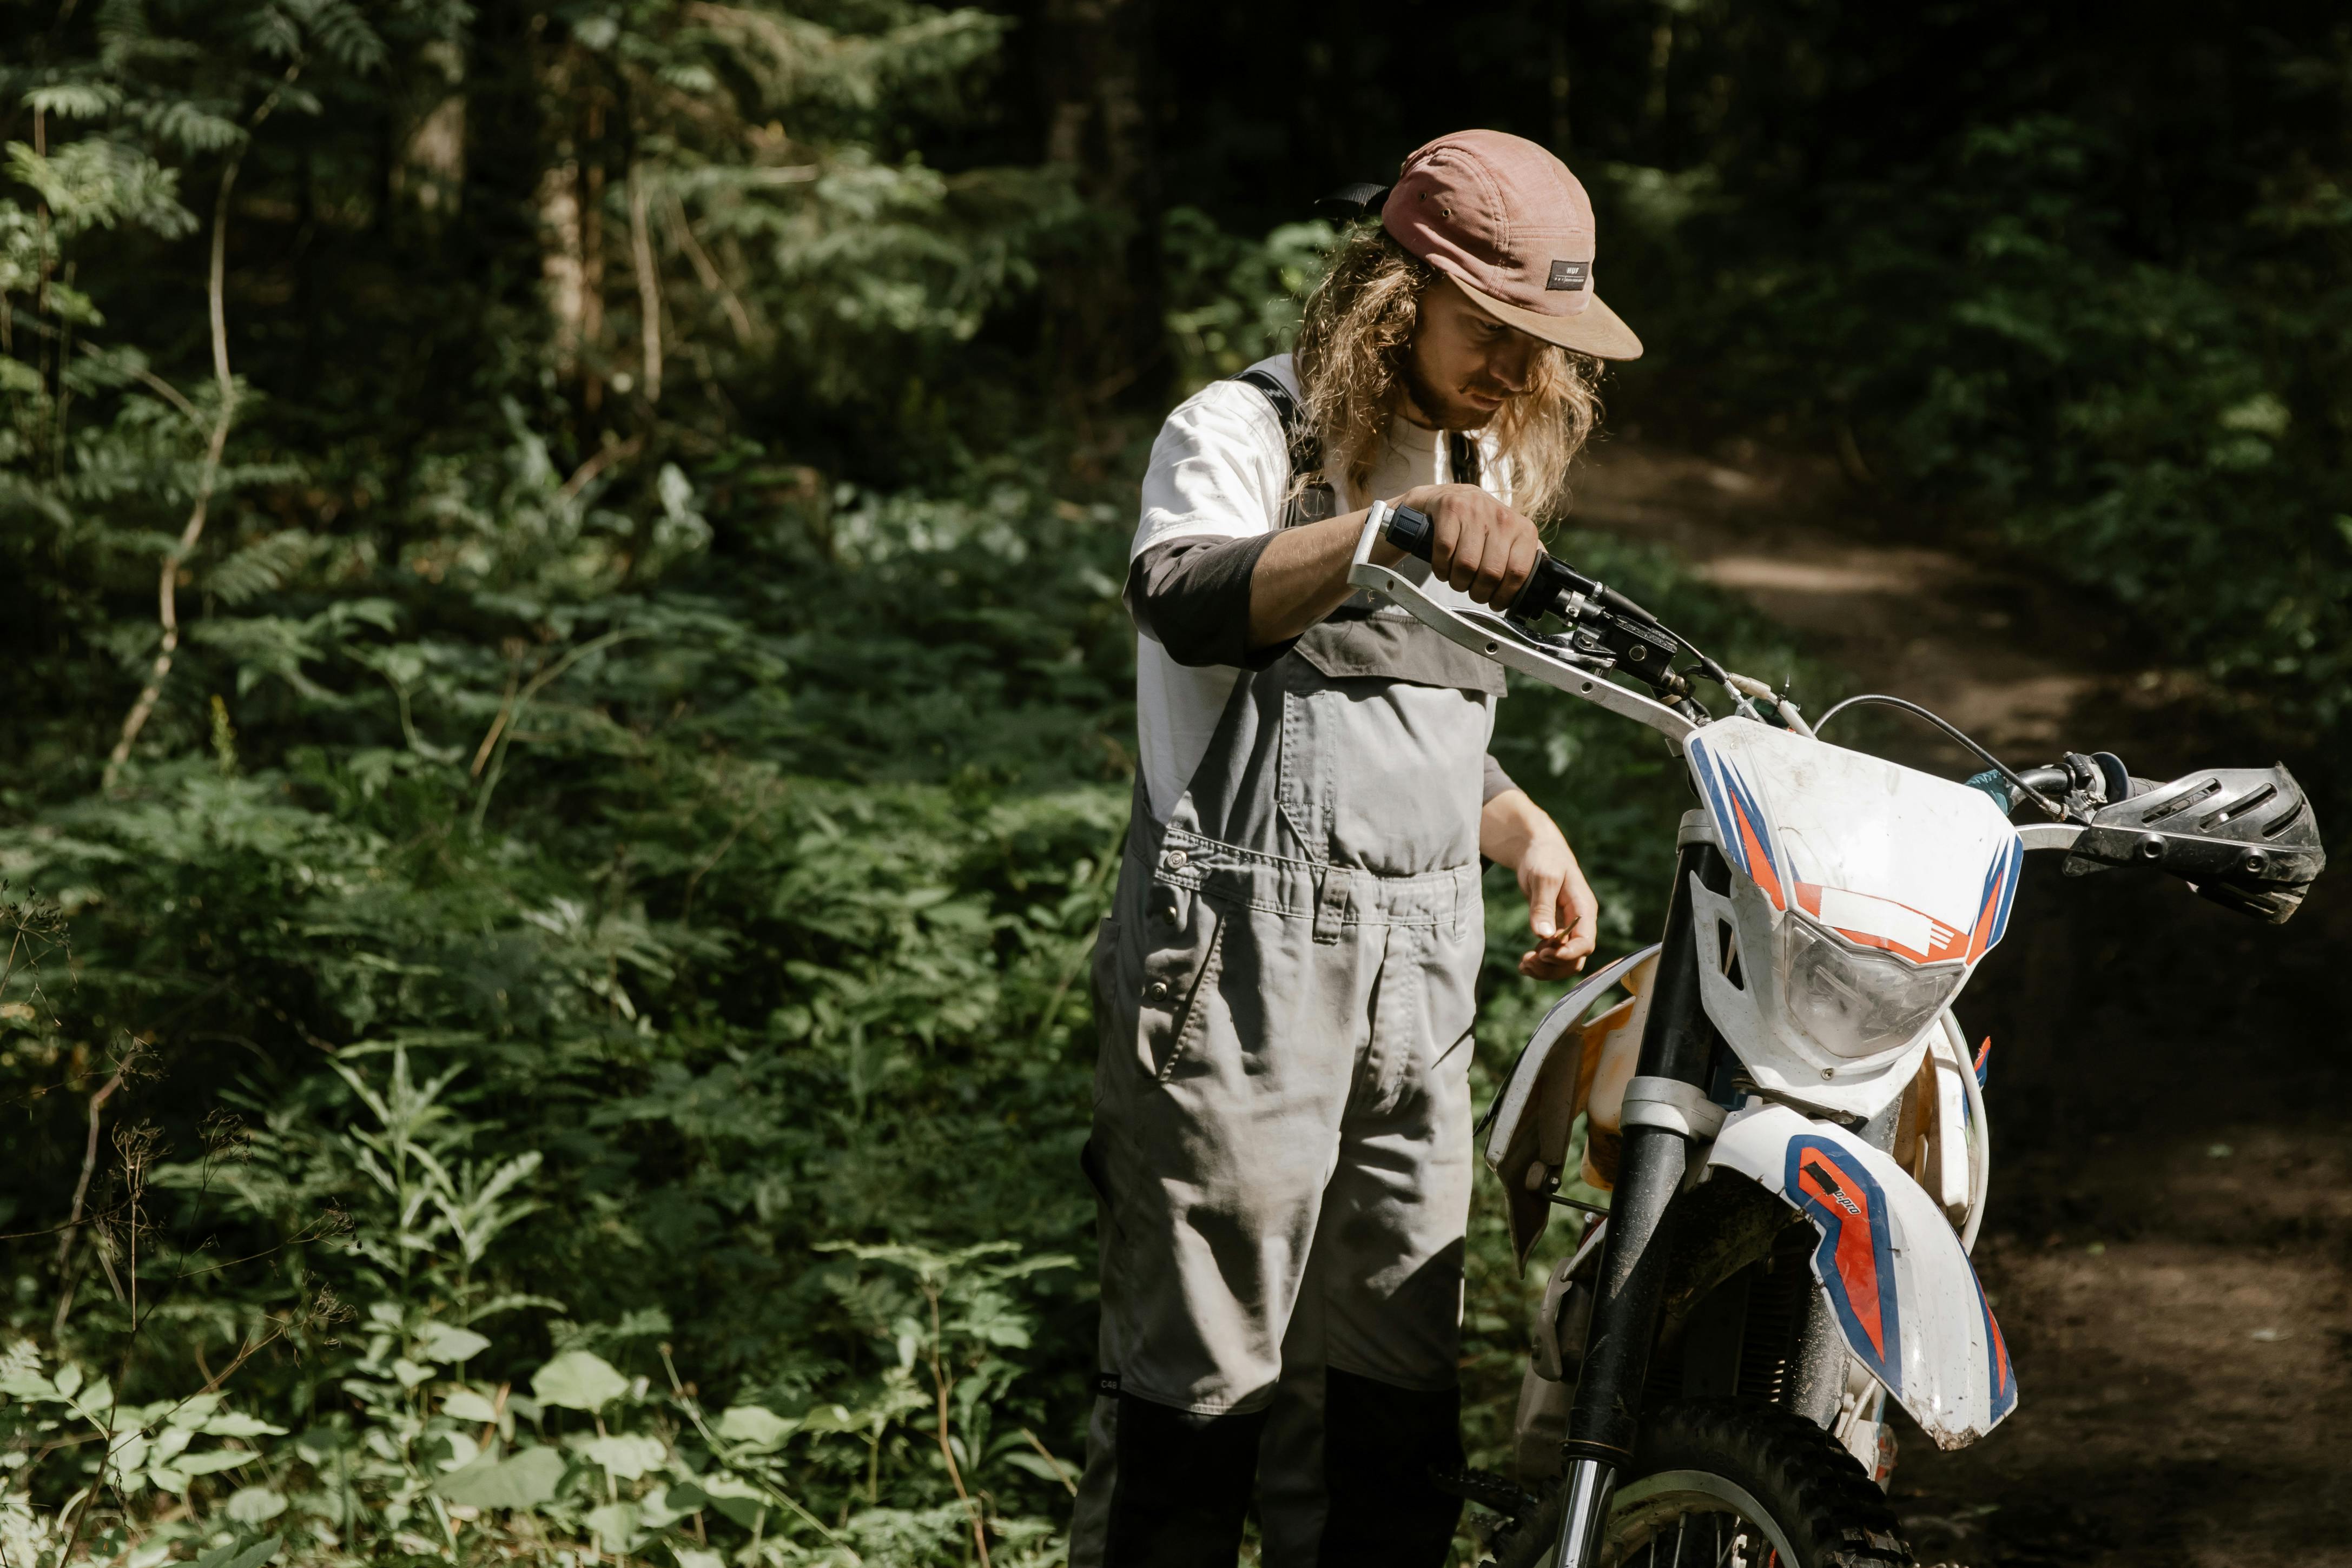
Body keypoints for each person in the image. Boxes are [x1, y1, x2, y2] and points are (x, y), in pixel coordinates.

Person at [1071, 130, 1644, 1567]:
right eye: (1490, 332)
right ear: (1396, 292)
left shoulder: (1480, 453)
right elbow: (1189, 602)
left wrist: (1516, 826)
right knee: (1197, 1393)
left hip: (1423, 980)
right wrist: (1385, 529)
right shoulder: (1243, 434)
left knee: (1394, 1405)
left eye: (1539, 347)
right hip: (1235, 976)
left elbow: (1408, 724)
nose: (1517, 373)